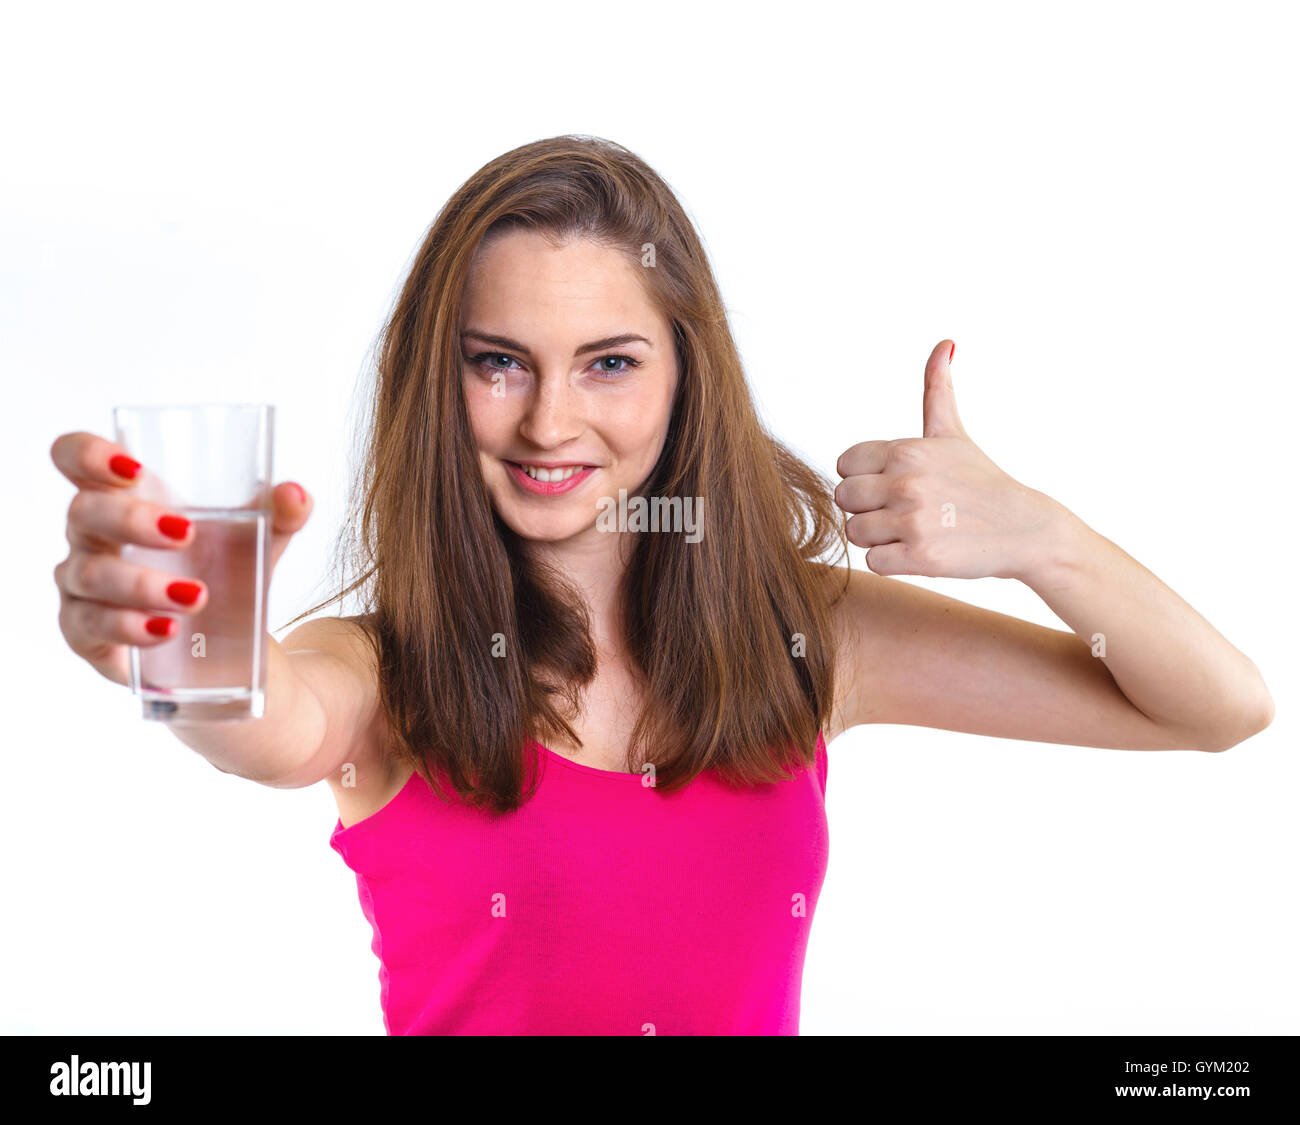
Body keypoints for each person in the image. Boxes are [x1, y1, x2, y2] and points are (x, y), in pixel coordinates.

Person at [50, 135, 1275, 1035]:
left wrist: (1042, 540)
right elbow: (263, 722)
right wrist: (176, 643)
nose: (550, 420)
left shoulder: (807, 639)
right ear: (442, 377)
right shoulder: (381, 669)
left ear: (686, 374)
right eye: (497, 362)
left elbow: (1214, 707)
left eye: (609, 363)